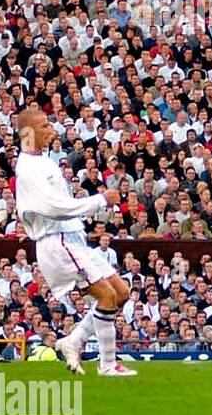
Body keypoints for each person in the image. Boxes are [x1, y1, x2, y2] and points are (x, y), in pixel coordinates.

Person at [14, 109, 133, 377]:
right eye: (43, 126)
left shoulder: (42, 160)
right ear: (28, 134)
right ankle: (107, 364)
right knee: (106, 295)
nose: (50, 129)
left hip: (72, 238)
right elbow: (55, 208)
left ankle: (74, 341)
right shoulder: (29, 170)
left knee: (121, 293)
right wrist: (100, 200)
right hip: (57, 241)